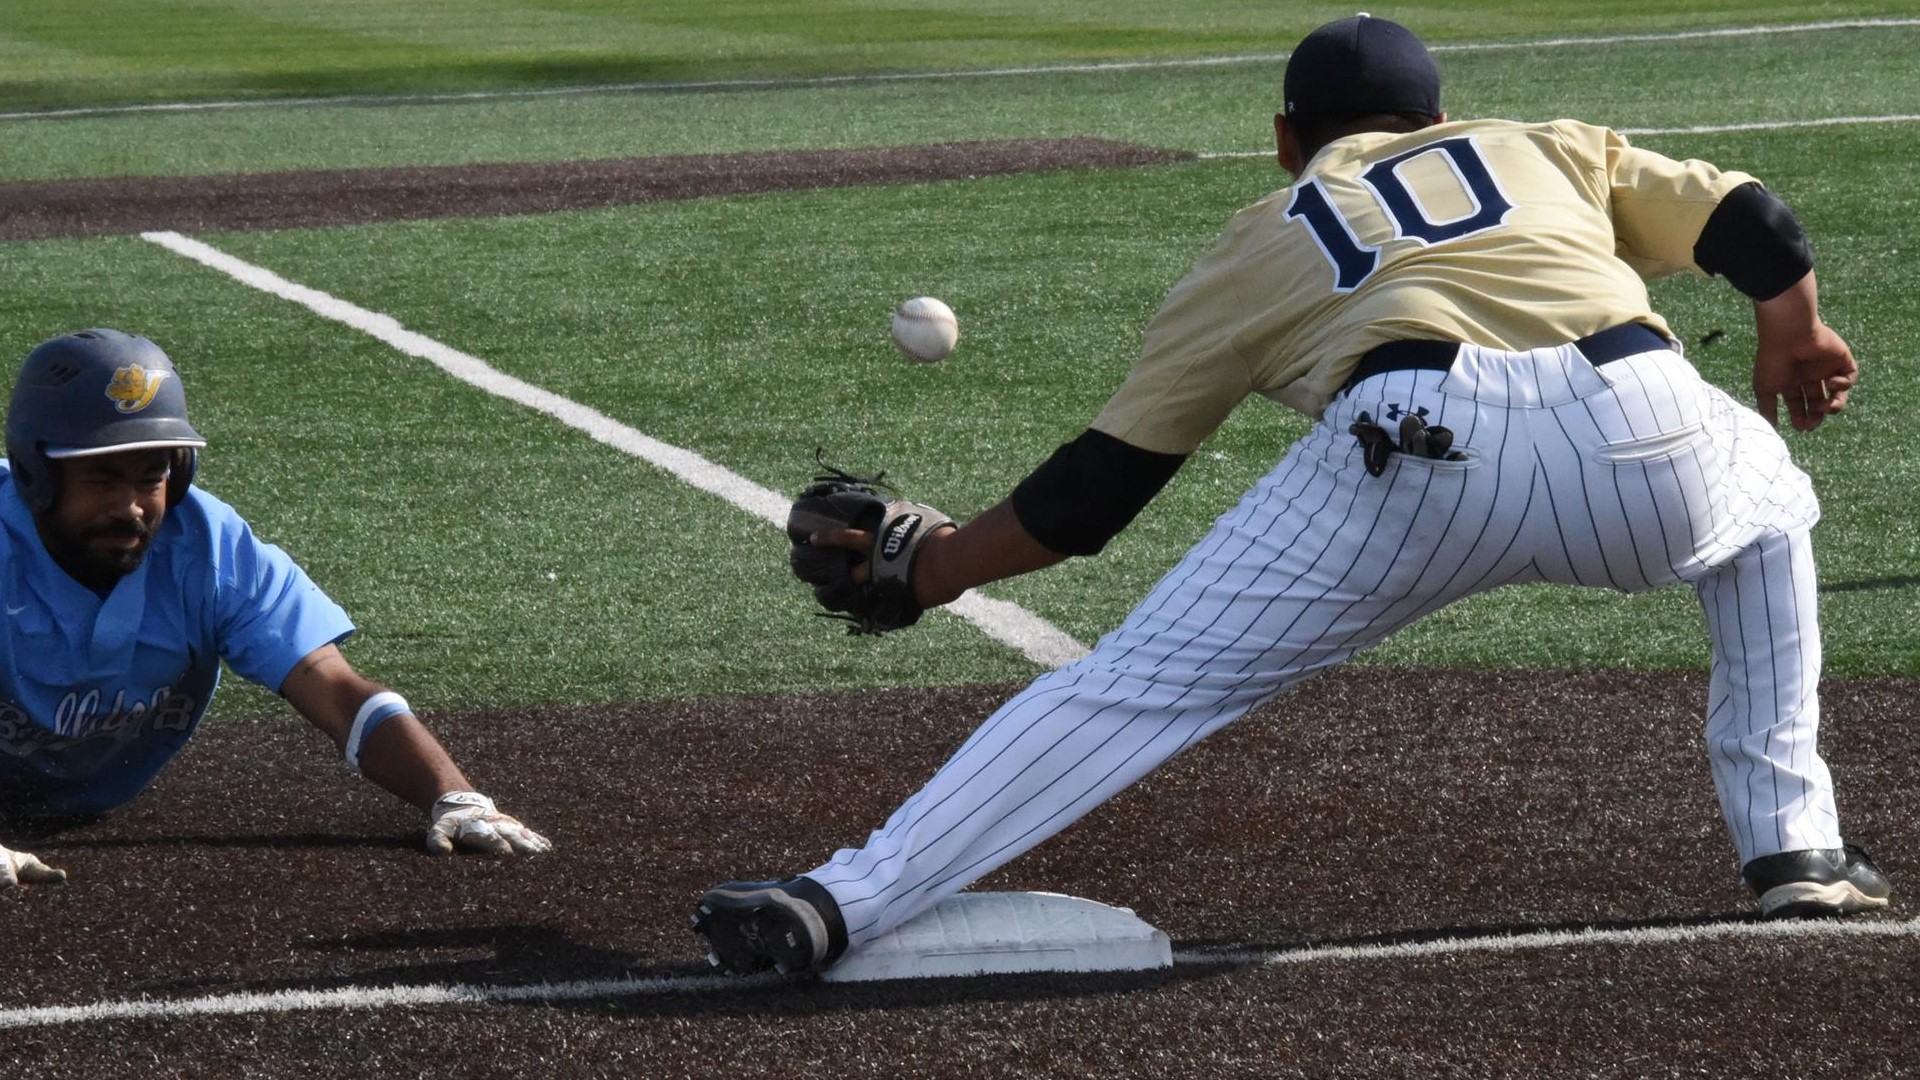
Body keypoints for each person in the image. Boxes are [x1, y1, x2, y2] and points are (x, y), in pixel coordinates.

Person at [691, 14, 1889, 975]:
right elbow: (1753, 221)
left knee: (1137, 689)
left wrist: (938, 564)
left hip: (1417, 449)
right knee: (1771, 509)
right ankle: (1797, 845)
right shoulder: (1543, 145)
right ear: (1439, 117)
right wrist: (1795, 332)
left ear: (1285, 139)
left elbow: (1097, 495)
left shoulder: (1264, 235)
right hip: (1650, 429)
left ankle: (838, 901)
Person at [0, 328, 549, 888]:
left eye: (152, 477)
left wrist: (454, 797)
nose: (131, 507)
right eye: (101, 478)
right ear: (34, 473)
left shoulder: (208, 547)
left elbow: (329, 682)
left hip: (84, 805)